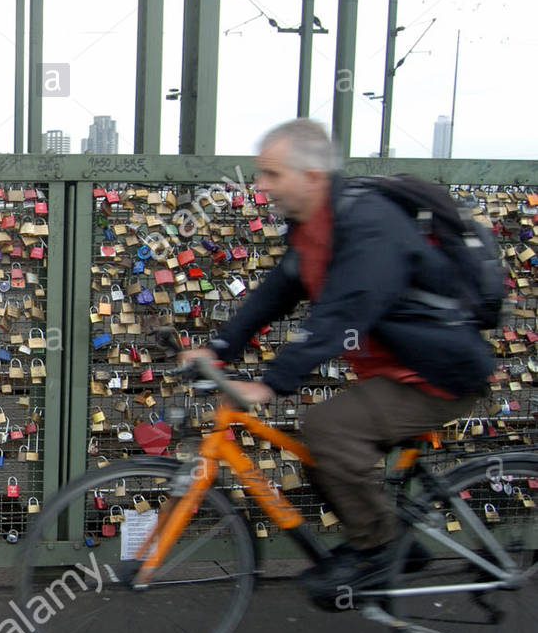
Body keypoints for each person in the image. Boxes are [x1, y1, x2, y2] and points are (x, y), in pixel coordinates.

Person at [179, 119, 495, 603]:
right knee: (318, 443)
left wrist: (271, 383)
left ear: (311, 176)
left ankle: (378, 548)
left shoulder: (370, 223)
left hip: (438, 374)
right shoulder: (313, 226)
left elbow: (347, 309)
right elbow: (275, 294)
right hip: (398, 369)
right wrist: (220, 349)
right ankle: (391, 543)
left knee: (330, 428)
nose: (259, 186)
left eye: (270, 174)